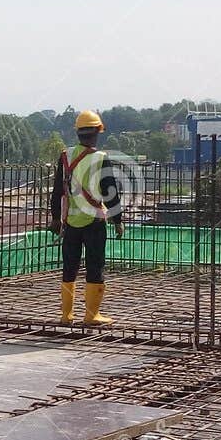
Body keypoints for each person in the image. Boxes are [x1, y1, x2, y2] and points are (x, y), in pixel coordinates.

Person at [52, 110, 125, 326]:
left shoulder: (66, 156)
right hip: (94, 223)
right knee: (95, 266)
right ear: (97, 132)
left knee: (69, 267)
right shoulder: (100, 158)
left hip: (70, 224)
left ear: (78, 132)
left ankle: (66, 315)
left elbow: (57, 191)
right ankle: (91, 315)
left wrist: (55, 218)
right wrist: (118, 220)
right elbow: (110, 193)